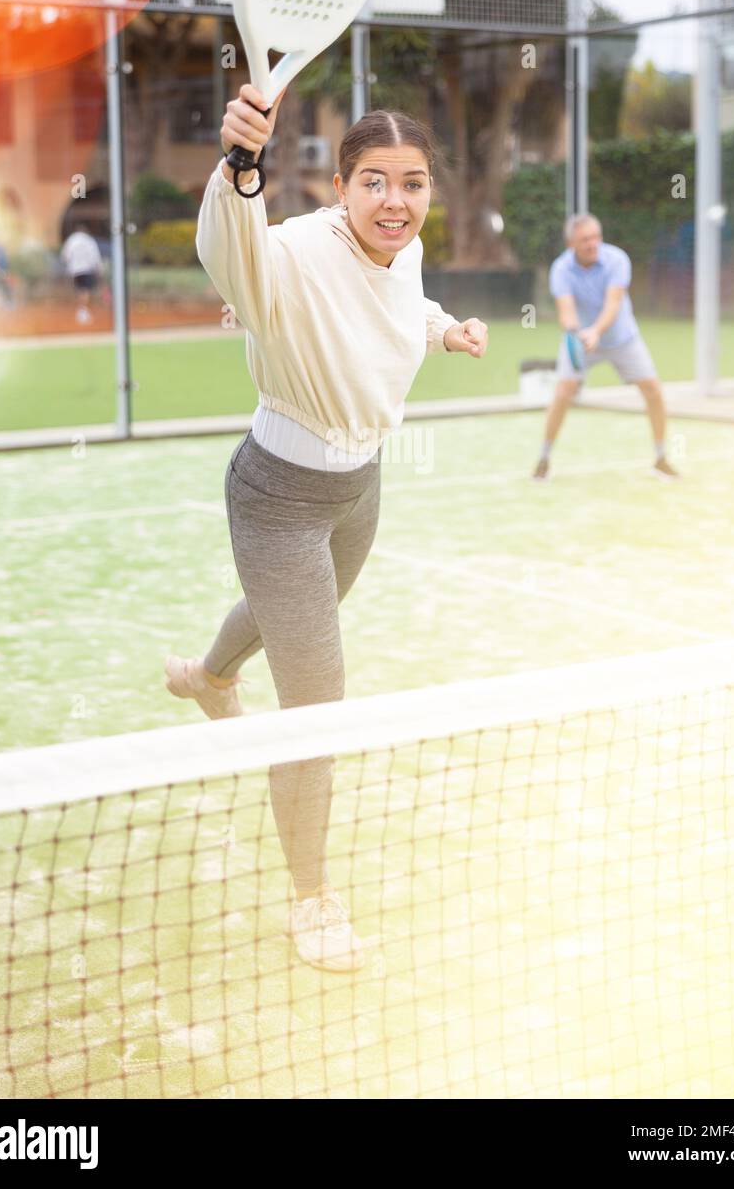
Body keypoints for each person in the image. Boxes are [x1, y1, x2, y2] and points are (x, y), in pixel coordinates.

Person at [165, 82, 488, 972]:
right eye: (376, 182)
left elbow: (390, 312)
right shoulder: (294, 252)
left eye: (414, 183)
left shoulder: (404, 250)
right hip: (277, 495)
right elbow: (230, 254)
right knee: (316, 706)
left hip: (360, 488)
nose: (397, 201)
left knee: (287, 622)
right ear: (339, 186)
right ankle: (311, 901)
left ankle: (207, 675)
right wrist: (239, 167)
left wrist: (443, 329)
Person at [533, 213, 680, 481]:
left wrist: (596, 332)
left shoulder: (617, 259)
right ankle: (544, 459)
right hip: (581, 340)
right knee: (563, 392)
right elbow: (566, 311)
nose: (592, 244)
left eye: (595, 237)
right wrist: (577, 334)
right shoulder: (561, 269)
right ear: (571, 245)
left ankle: (660, 458)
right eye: (585, 240)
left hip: (623, 338)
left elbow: (614, 303)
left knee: (653, 390)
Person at [60, 226, 104, 324]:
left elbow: (65, 256)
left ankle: (81, 310)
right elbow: (95, 256)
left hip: (75, 270)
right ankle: (83, 310)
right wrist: (99, 269)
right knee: (86, 290)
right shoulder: (89, 240)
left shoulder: (72, 240)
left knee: (80, 290)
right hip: (86, 269)